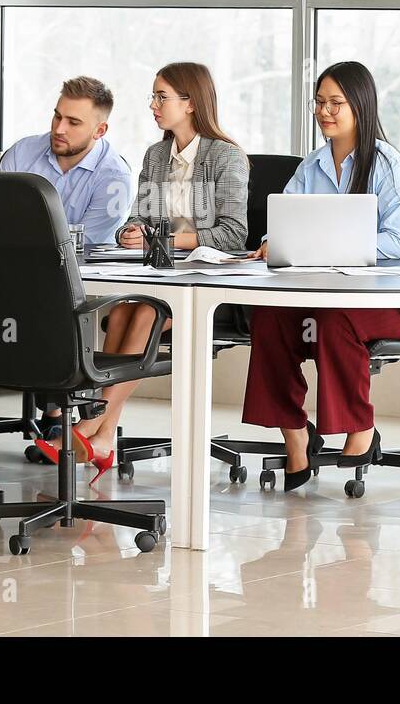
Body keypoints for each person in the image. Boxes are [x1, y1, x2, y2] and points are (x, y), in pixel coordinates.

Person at [35, 61, 249, 481]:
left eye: (161, 97)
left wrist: (170, 240)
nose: (153, 105)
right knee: (128, 308)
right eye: (153, 96)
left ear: (190, 103)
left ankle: (95, 425)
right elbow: (138, 218)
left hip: (208, 286)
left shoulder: (226, 156)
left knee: (145, 312)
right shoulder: (156, 156)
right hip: (160, 277)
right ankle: (102, 435)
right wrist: (133, 232)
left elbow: (233, 234)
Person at [243, 60, 400, 491]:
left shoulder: (388, 165)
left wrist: (332, 247)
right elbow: (285, 220)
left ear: (360, 107)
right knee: (269, 316)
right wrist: (277, 240)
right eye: (319, 102)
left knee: (336, 319)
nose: (324, 111)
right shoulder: (311, 166)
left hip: (398, 301)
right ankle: (295, 433)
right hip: (327, 294)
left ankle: (359, 426)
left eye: (335, 103)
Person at [0, 76, 132, 247]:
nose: (59, 129)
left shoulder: (115, 178)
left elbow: (81, 246)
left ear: (99, 130)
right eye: (57, 117)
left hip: (81, 271)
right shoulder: (21, 153)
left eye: (73, 123)